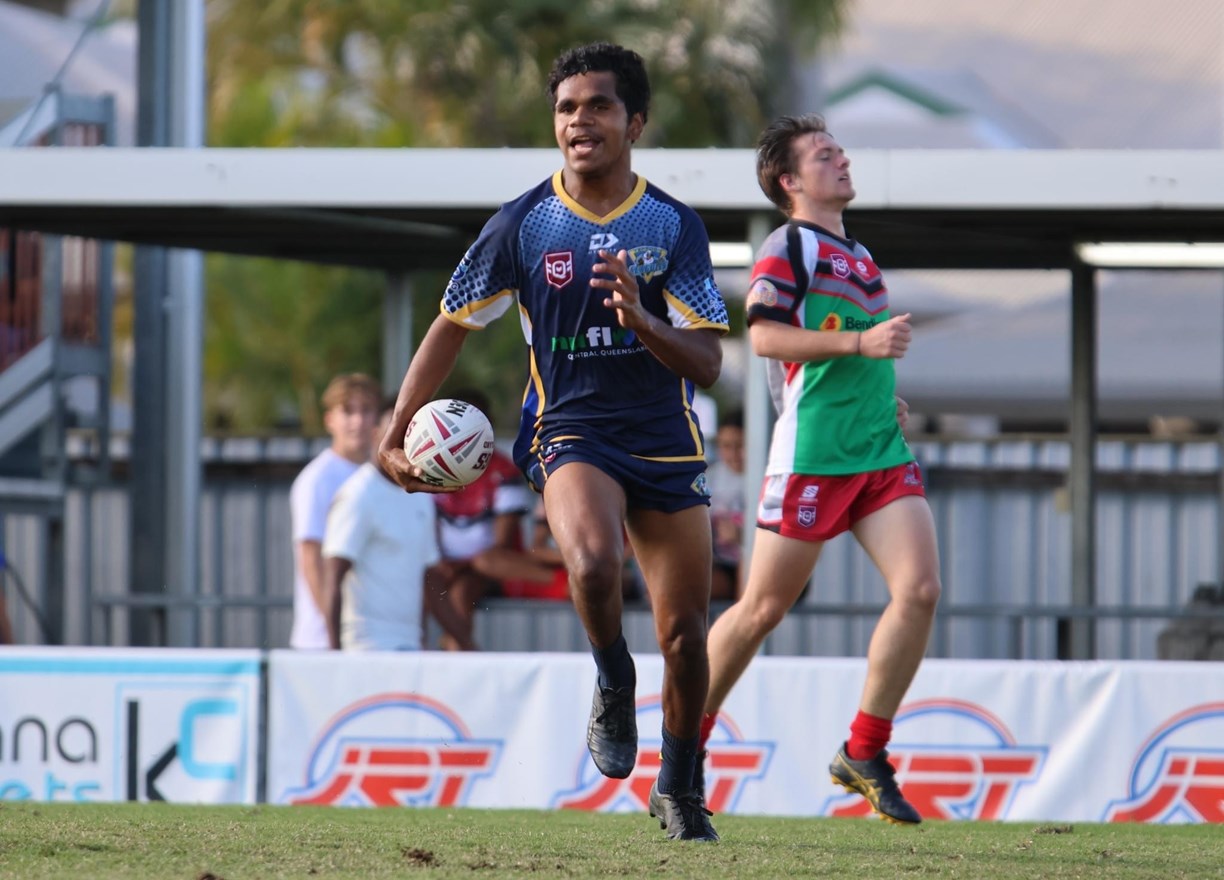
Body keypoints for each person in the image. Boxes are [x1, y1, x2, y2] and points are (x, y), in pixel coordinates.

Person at [378, 43, 728, 841]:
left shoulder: (671, 224)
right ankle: (611, 673)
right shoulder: (523, 223)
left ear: (633, 122)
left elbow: (708, 360)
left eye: (598, 106)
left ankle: (679, 785)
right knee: (594, 562)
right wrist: (393, 436)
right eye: (567, 108)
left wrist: (643, 319)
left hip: (664, 438)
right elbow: (451, 325)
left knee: (685, 633)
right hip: (569, 429)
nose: (580, 121)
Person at [697, 114, 941, 825]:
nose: (842, 161)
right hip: (813, 455)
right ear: (790, 180)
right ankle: (686, 743)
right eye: (825, 155)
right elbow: (766, 335)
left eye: (841, 151)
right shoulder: (789, 243)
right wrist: (865, 347)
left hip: (877, 451)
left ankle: (864, 751)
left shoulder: (859, 254)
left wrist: (885, 396)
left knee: (920, 590)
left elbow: (851, 354)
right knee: (762, 610)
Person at [321, 400, 475, 651]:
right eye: (396, 431)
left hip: (409, 646)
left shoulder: (420, 496)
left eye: (411, 432)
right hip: (365, 648)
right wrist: (334, 657)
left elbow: (430, 580)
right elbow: (332, 576)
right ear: (375, 436)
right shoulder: (358, 494)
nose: (404, 441)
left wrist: (468, 646)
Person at [428, 389, 556, 648]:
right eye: (455, 427)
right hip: (443, 567)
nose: (463, 435)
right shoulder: (428, 468)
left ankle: (459, 656)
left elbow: (502, 544)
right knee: (429, 583)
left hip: (484, 570)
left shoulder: (503, 470)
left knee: (462, 592)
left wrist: (456, 566)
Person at [288, 372, 380, 650]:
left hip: (368, 637)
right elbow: (311, 557)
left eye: (366, 411)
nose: (358, 421)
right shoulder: (318, 478)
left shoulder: (378, 476)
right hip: (325, 642)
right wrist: (334, 637)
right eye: (348, 411)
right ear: (330, 420)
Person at [706, 408, 745, 601]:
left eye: (740, 446)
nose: (733, 454)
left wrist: (743, 536)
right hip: (719, 565)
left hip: (758, 566)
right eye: (726, 446)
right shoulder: (710, 477)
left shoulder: (767, 476)